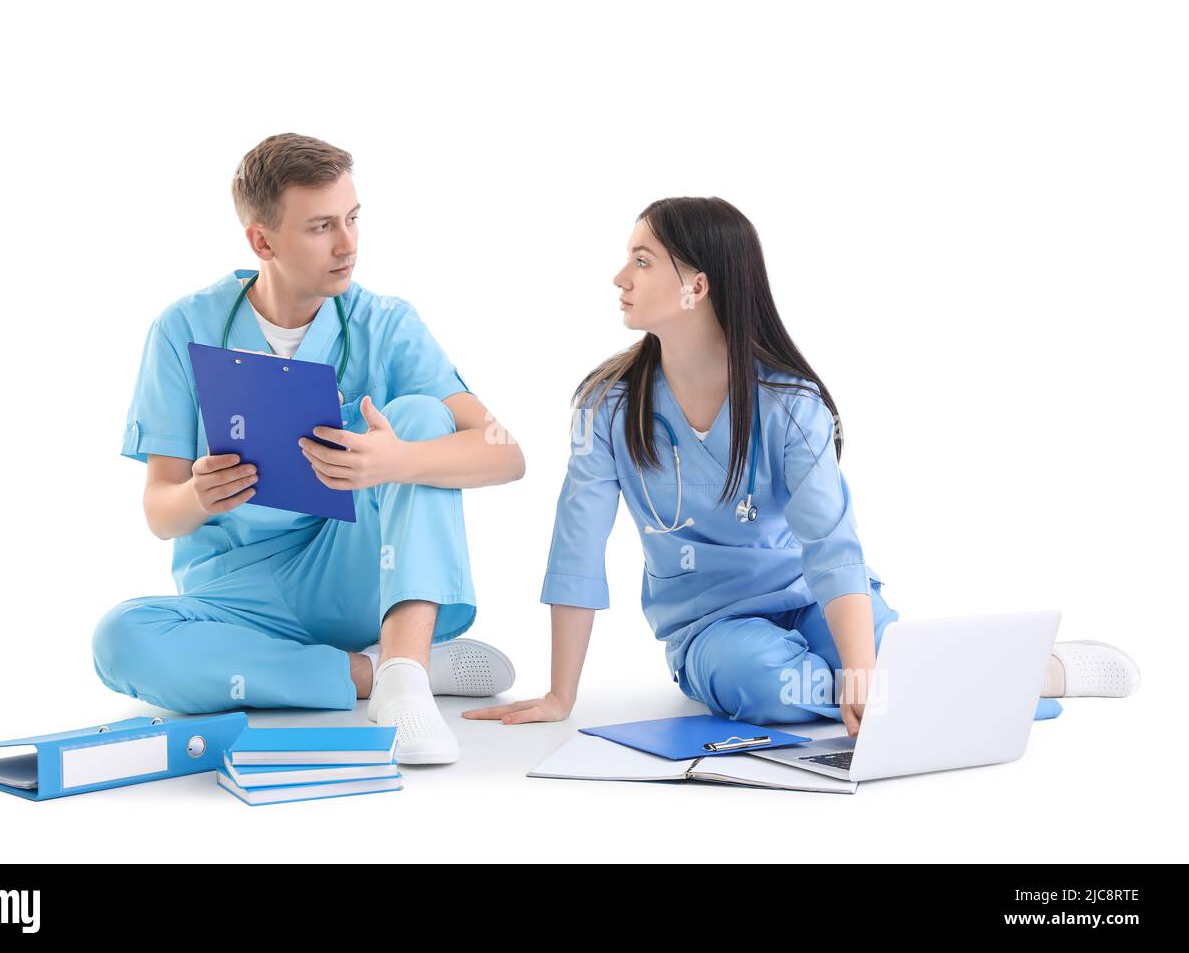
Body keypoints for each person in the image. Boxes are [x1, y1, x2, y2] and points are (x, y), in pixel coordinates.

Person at [466, 196, 1139, 735]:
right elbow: (576, 549)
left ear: (697, 286)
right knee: (764, 682)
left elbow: (832, 547)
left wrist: (861, 666)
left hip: (816, 597)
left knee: (868, 656)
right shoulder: (606, 406)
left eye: (642, 261)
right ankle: (961, 685)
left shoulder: (789, 404)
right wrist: (561, 692)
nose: (619, 278)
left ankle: (1038, 672)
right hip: (711, 628)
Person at [93, 133, 523, 764]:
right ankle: (371, 674)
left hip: (354, 572)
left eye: (352, 219)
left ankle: (403, 673)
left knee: (422, 417)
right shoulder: (182, 329)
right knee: (120, 640)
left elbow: (507, 456)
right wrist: (197, 495)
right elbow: (160, 512)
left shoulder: (386, 323)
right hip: (237, 596)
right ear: (262, 242)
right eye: (322, 226)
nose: (347, 244)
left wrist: (397, 460)